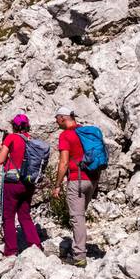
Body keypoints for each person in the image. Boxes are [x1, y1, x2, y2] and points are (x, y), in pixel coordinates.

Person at [51, 105, 97, 266]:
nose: (56, 122)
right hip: (92, 180)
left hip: (76, 181)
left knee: (77, 218)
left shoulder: (66, 135)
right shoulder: (85, 132)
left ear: (63, 118)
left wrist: (57, 185)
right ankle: (80, 248)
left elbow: (63, 163)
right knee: (80, 216)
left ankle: (79, 257)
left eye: (57, 118)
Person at [0, 114, 42, 257]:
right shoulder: (31, 140)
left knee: (8, 217)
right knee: (25, 215)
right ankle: (36, 246)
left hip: (13, 181)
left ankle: (11, 251)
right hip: (28, 182)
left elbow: (0, 160)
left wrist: (1, 150)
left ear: (14, 126)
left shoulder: (11, 138)